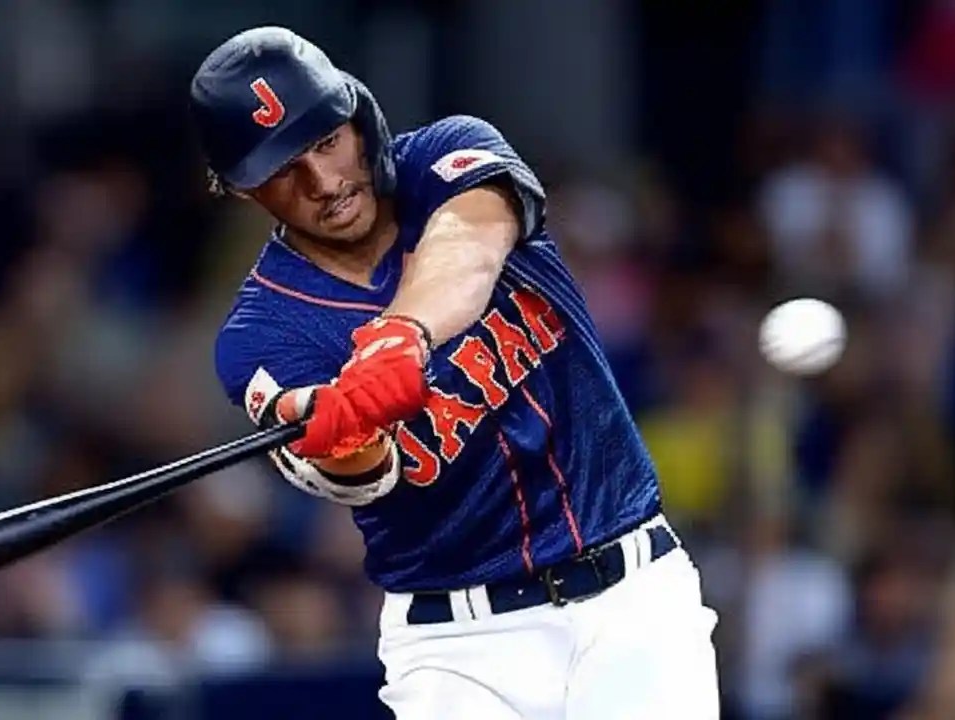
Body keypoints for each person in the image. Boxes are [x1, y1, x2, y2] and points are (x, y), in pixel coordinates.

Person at [193, 26, 720, 719]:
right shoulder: (262, 333)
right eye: (284, 169)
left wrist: (398, 340)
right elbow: (365, 478)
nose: (324, 182)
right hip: (460, 647)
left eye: (327, 141)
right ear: (241, 191)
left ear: (358, 117)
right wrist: (341, 435)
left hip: (633, 599)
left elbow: (469, 245)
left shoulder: (446, 155)